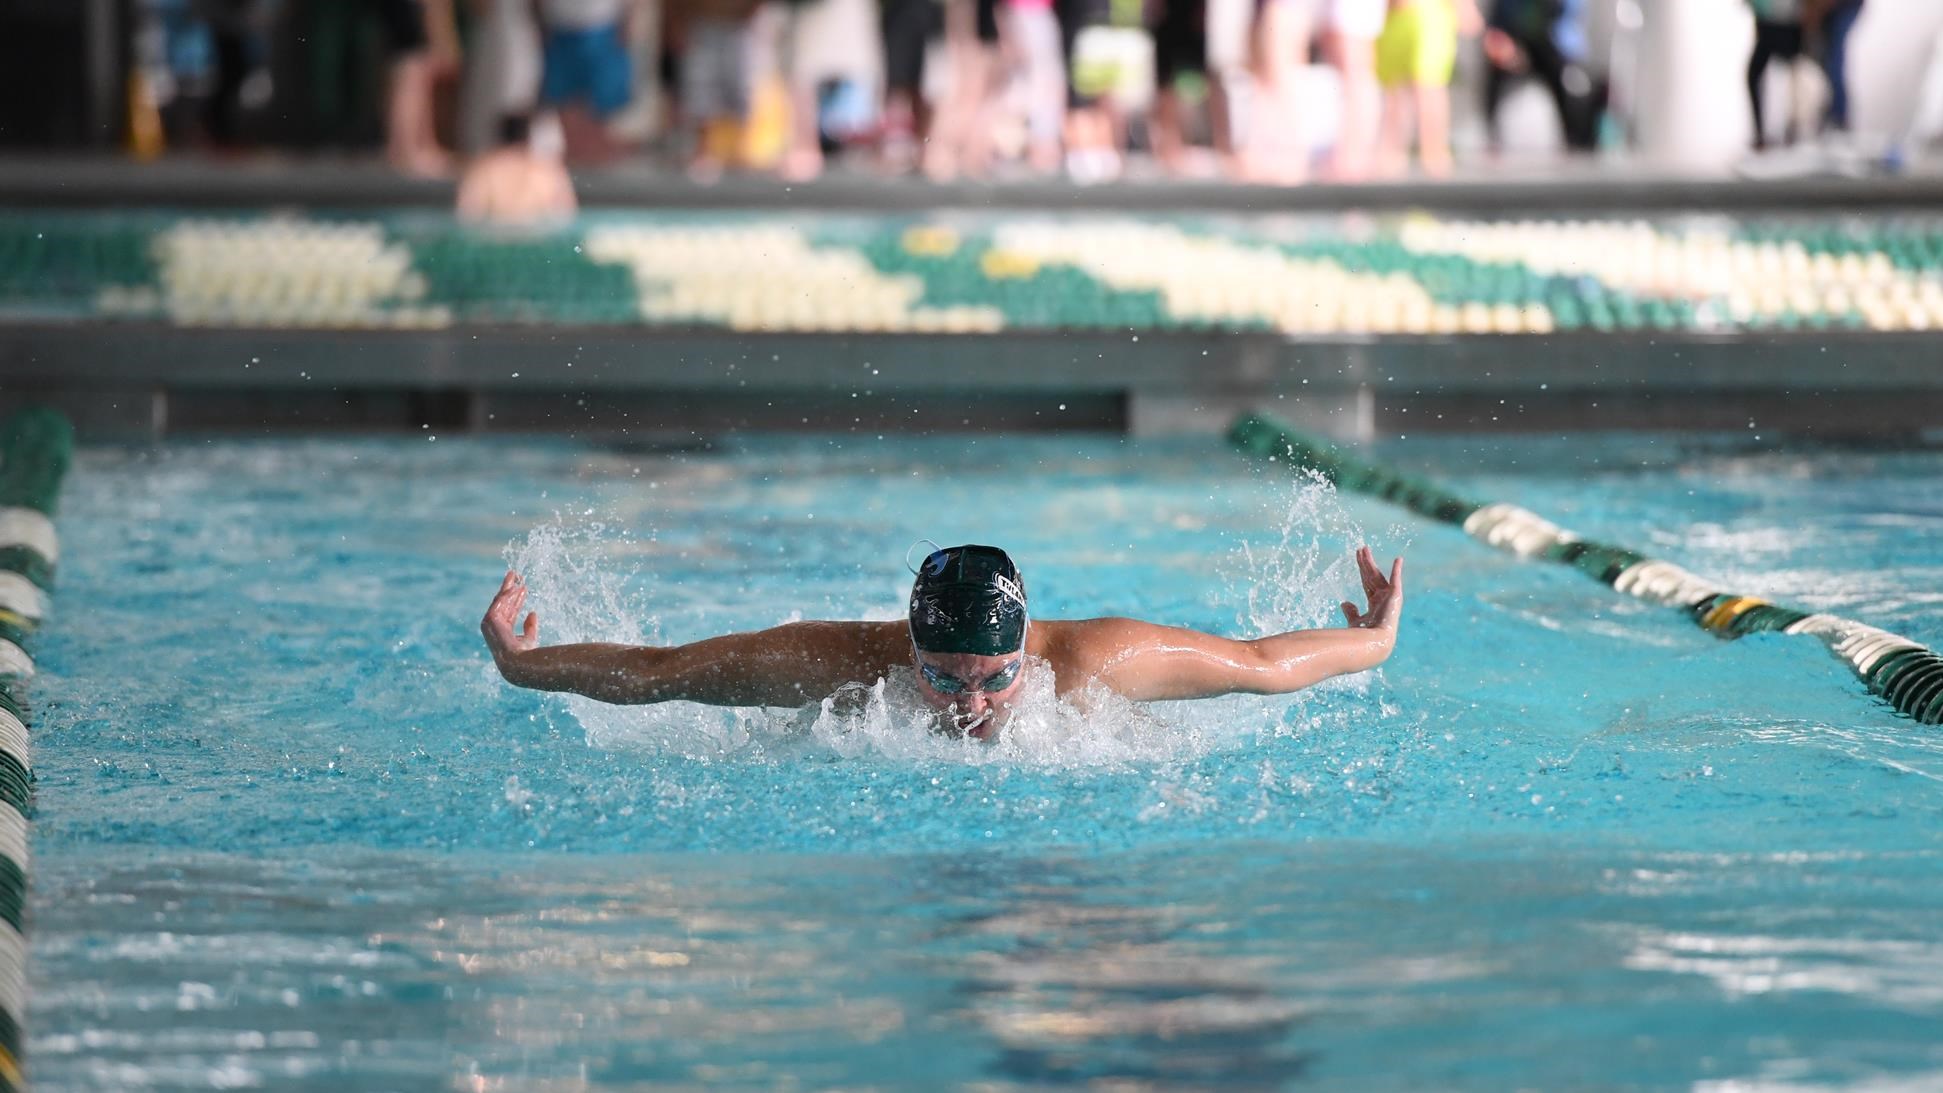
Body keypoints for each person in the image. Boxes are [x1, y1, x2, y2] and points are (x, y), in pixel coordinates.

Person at [481, 543, 1405, 741]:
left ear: (1027, 650)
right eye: (941, 677)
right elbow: (661, 674)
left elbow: (1257, 665)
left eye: (998, 679)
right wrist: (522, 667)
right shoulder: (838, 663)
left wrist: (1377, 640)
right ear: (907, 650)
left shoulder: (1094, 664)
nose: (969, 705)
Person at [1374, 0, 1482, 178]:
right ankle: (1392, 163)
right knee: (1395, 91)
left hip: (1431, 14)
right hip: (1393, 16)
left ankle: (1435, 161)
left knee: (1428, 86)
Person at [456, 113, 579, 227]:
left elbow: (467, 214)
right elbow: (566, 215)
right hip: (536, 240)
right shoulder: (547, 169)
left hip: (494, 239)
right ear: (529, 137)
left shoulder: (484, 169)